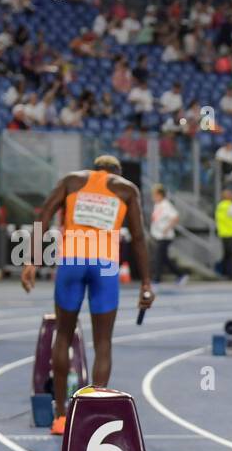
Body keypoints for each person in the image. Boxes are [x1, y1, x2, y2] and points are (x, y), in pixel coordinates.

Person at [20, 155, 153, 436]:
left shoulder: (72, 181)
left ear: (95, 169)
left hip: (72, 261)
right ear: (115, 172)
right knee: (103, 342)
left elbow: (43, 215)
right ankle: (94, 416)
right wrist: (146, 284)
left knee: (64, 335)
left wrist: (32, 259)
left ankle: (60, 417)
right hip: (105, 265)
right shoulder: (126, 188)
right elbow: (139, 238)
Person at [149, 184, 186, 285]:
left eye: (155, 195)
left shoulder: (166, 205)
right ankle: (180, 275)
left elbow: (175, 217)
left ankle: (157, 278)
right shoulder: (157, 205)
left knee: (158, 257)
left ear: (160, 195)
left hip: (165, 236)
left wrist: (167, 228)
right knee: (164, 258)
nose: (153, 197)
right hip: (158, 235)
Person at [214, 188, 232, 278]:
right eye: (230, 194)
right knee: (229, 254)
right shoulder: (230, 206)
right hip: (229, 232)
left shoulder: (220, 205)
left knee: (227, 254)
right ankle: (229, 273)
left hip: (223, 232)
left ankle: (225, 272)